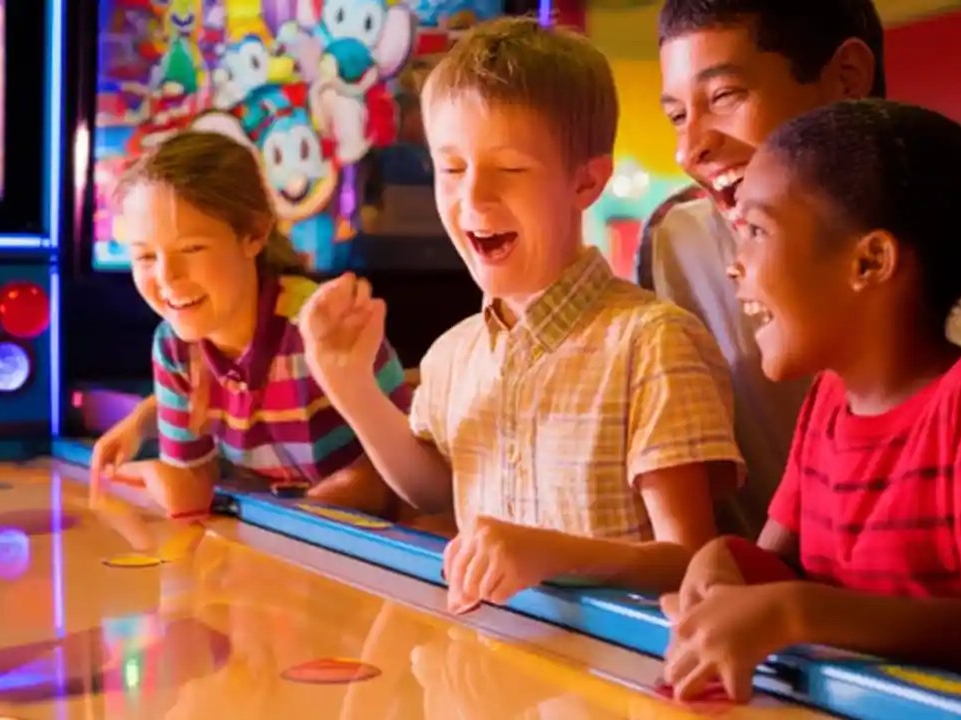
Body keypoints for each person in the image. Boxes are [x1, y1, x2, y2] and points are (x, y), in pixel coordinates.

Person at [659, 100, 961, 712]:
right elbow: (774, 567)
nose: (733, 265)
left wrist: (798, 611)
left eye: (757, 232)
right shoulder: (827, 403)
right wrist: (724, 563)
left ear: (869, 261)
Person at [298, 17, 744, 613]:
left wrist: (554, 554)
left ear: (586, 181)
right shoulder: (453, 353)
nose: (474, 198)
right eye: (452, 169)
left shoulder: (653, 344)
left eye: (508, 169)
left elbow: (689, 560)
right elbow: (433, 489)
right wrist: (350, 386)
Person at [645, 0, 961, 549]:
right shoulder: (672, 245)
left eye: (726, 96)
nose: (691, 148)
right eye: (678, 115)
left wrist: (800, 608)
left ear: (846, 77)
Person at [88, 130, 410, 521]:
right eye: (144, 257)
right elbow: (186, 492)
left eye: (191, 249)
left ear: (254, 233)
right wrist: (132, 467)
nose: (168, 277)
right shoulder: (173, 347)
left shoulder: (321, 328)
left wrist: (323, 507)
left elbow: (414, 451)